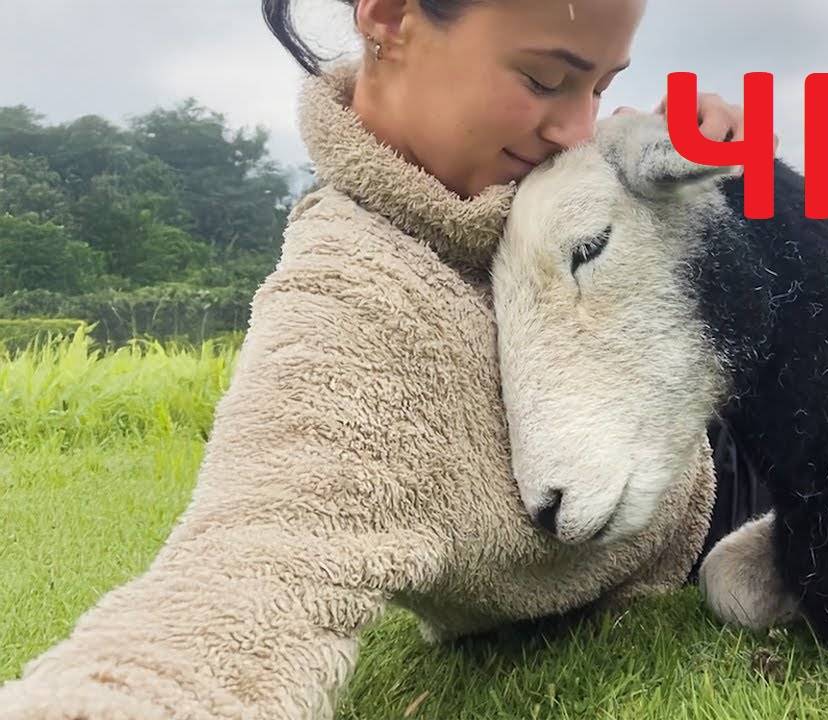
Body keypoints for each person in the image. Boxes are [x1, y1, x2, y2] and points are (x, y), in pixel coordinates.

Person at [0, 1, 762, 718]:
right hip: (713, 522)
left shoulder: (527, 176)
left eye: (599, 88)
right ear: (391, 16)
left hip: (744, 447)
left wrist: (684, 150)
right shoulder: (348, 297)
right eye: (543, 78)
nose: (575, 129)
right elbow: (256, 566)